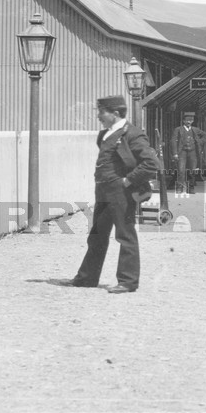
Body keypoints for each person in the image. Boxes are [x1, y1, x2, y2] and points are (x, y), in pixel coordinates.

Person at [65, 96, 160, 293]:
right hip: (103, 192)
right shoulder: (105, 135)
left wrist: (128, 180)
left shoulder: (133, 134)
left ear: (115, 113)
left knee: (125, 235)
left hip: (121, 193)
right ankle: (86, 278)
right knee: (97, 236)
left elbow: (151, 164)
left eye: (102, 112)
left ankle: (128, 281)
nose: (99, 116)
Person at [171, 111, 206, 194]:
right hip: (182, 152)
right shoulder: (178, 129)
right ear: (183, 121)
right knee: (181, 170)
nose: (189, 122)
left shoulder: (195, 130)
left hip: (193, 153)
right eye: (187, 120)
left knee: (192, 171)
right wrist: (175, 153)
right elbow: (173, 141)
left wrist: (199, 141)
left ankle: (191, 188)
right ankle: (179, 188)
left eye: (191, 120)